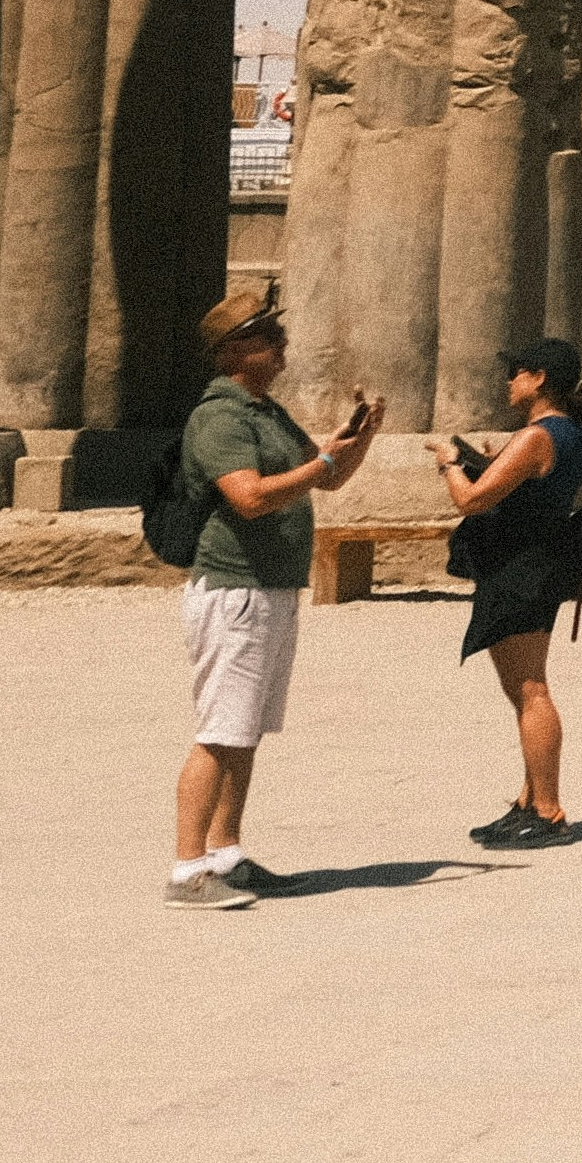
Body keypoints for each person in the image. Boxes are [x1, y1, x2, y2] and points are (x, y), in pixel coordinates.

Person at [169, 289, 381, 906]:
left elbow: (327, 476)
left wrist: (355, 442)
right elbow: (250, 496)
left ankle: (226, 853)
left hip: (271, 588)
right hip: (234, 589)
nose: (283, 345)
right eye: (269, 337)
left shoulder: (266, 411)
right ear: (235, 351)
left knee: (246, 729)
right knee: (218, 730)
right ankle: (186, 871)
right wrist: (319, 464)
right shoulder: (220, 416)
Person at [433, 338, 582, 850]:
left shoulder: (535, 437)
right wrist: (489, 460)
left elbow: (471, 500)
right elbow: (531, 489)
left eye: (517, 372)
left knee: (531, 690)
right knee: (521, 691)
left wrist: (450, 463)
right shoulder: (567, 433)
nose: (509, 382)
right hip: (533, 562)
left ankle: (548, 812)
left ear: (540, 379)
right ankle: (528, 802)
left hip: (521, 569)